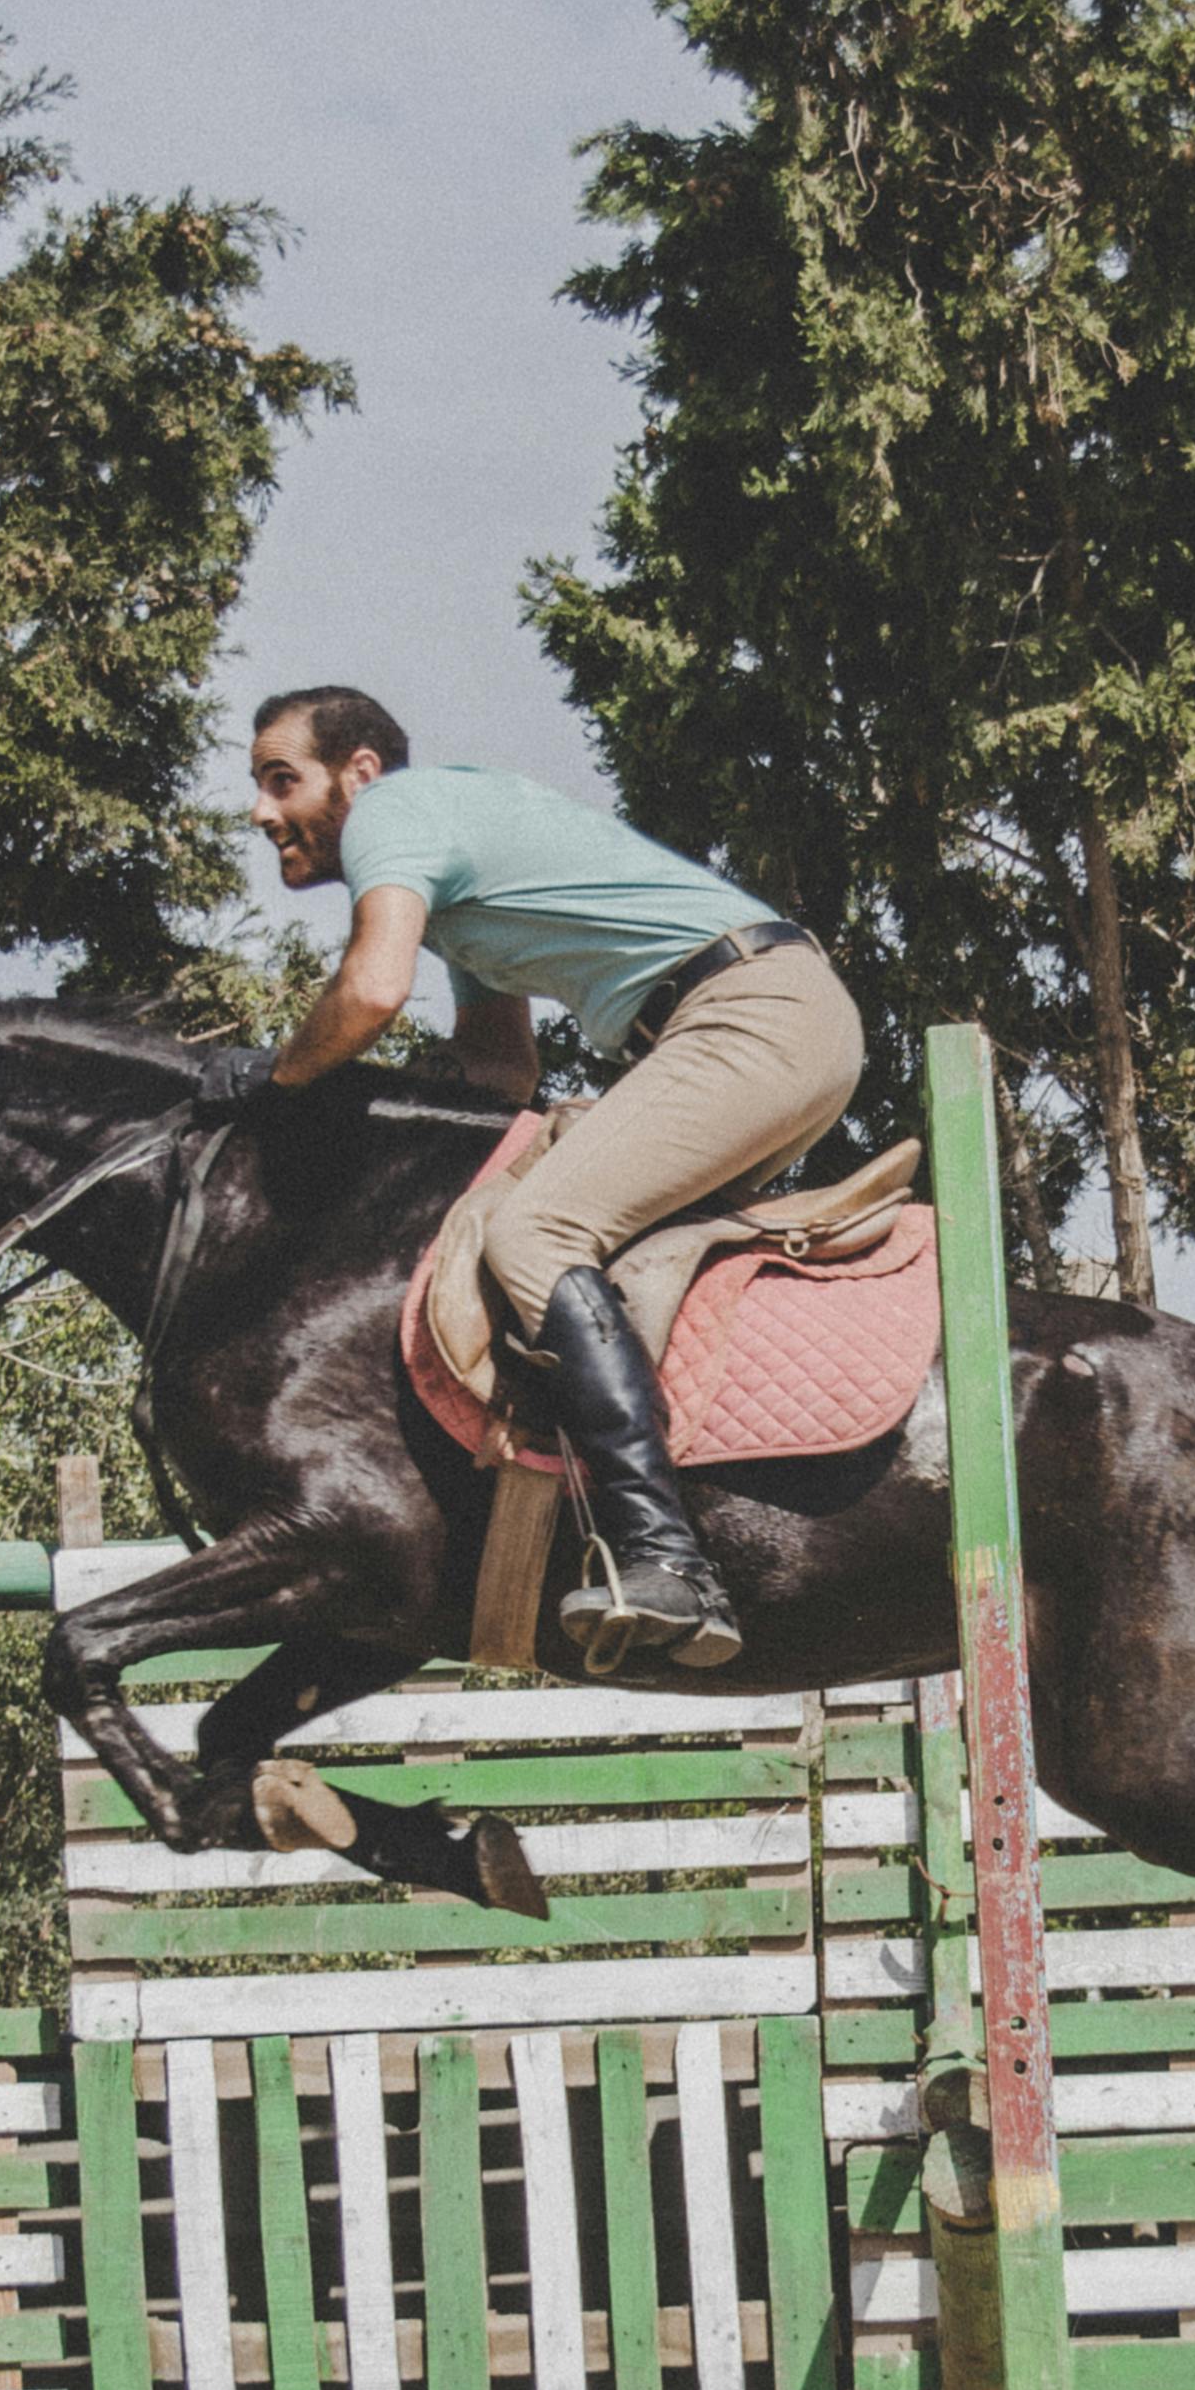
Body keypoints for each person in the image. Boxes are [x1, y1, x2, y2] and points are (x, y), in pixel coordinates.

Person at [219, 684, 862, 1669]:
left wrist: (273, 1081)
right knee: (592, 1242)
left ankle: (663, 1555)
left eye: (280, 780)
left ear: (358, 773)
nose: (260, 811)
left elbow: (369, 988)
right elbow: (498, 1071)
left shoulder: (395, 814)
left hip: (749, 1013)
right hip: (757, 1015)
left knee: (536, 1233)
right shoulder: (457, 885)